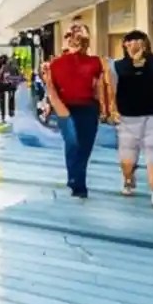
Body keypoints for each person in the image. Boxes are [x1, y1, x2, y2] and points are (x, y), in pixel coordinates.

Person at [106, 30, 153, 209]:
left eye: (138, 40)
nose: (133, 44)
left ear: (145, 43)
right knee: (127, 159)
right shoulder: (117, 66)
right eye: (129, 41)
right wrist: (112, 109)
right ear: (125, 45)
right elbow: (112, 89)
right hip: (128, 118)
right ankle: (128, 179)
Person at [44, 24, 105, 198]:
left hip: (88, 107)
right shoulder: (55, 64)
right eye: (72, 37)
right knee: (72, 143)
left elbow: (98, 87)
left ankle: (77, 179)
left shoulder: (95, 62)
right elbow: (51, 88)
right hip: (66, 107)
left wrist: (103, 108)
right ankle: (77, 182)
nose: (76, 41)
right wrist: (56, 107)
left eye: (81, 38)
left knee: (85, 146)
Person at [0, 57, 20, 123]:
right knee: (9, 98)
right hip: (7, 86)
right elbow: (18, 76)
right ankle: (10, 113)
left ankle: (5, 115)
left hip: (5, 86)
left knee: (4, 98)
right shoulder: (12, 67)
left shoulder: (4, 67)